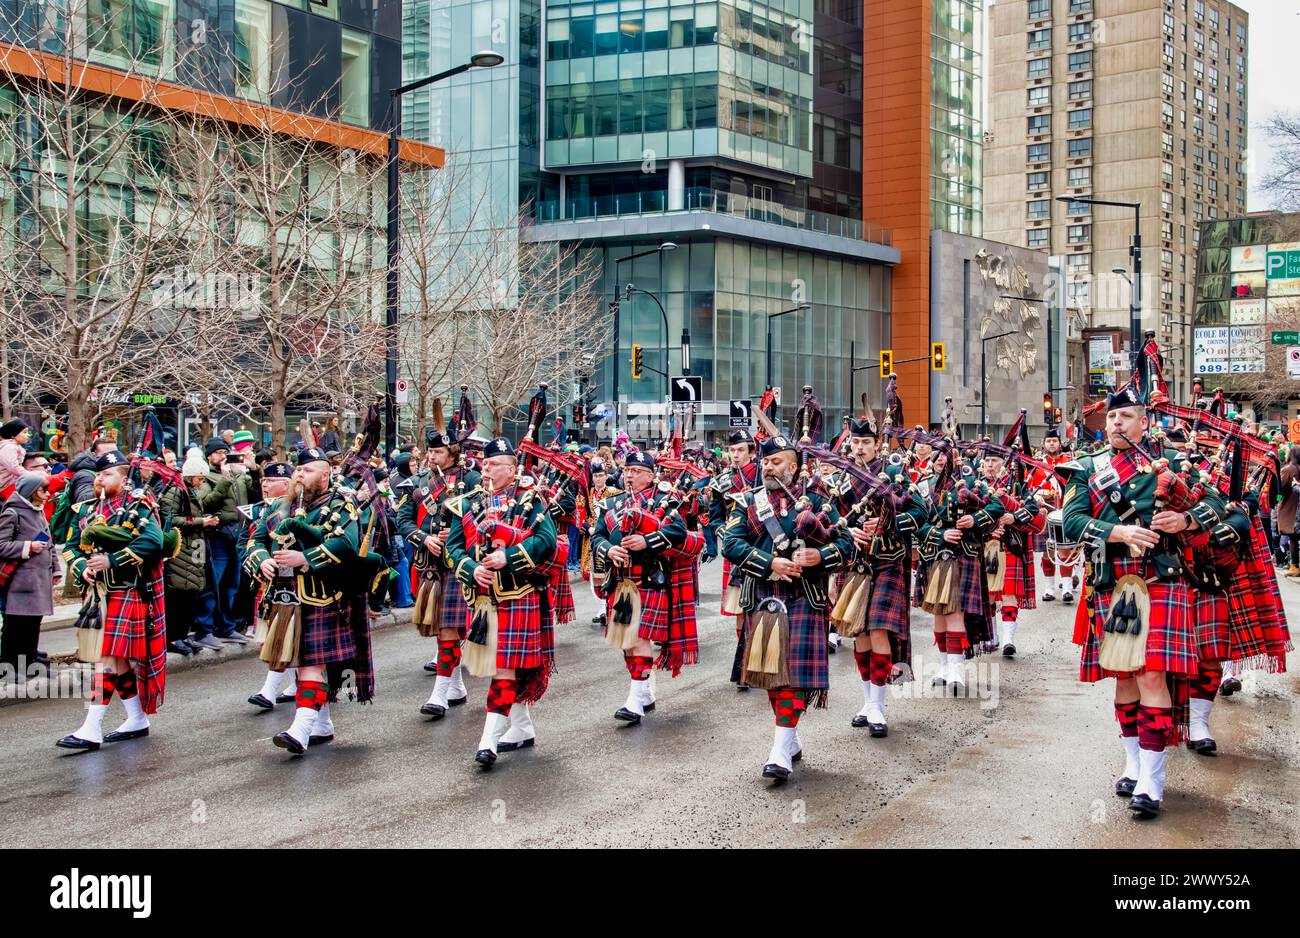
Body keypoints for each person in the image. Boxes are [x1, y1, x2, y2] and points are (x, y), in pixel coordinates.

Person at [1060, 386, 1227, 820]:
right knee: (1125, 681)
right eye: (1113, 418)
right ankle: (1133, 764)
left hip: (1161, 579)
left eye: (1126, 417)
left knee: (1152, 677)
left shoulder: (1170, 464)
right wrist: (1119, 533)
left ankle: (1153, 781)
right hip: (1113, 583)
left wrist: (1185, 519)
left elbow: (1217, 502)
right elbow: (1073, 520)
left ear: (1144, 422)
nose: (1116, 424)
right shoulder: (1086, 466)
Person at [721, 435, 852, 782]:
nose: (768, 466)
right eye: (765, 461)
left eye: (776, 461)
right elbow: (731, 544)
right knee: (772, 677)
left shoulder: (820, 501)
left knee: (791, 676)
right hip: (763, 597)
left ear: (793, 467)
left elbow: (847, 544)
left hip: (804, 597)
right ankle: (789, 738)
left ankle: (779, 752)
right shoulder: (748, 501)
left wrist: (818, 556)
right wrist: (770, 563)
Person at [246, 448, 373, 754]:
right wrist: (261, 559)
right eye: (298, 470)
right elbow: (255, 540)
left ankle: (299, 732)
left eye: (308, 470)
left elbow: (346, 544)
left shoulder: (340, 504)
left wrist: (305, 556)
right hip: (284, 597)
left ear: (326, 475)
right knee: (303, 664)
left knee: (311, 666)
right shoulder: (279, 505)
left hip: (322, 594)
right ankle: (323, 724)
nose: (300, 475)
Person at [444, 437, 557, 768]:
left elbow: (546, 541)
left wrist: (507, 557)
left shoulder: (530, 499)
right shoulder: (466, 503)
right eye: (485, 463)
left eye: (494, 464)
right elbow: (453, 549)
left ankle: (487, 743)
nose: (487, 468)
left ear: (511, 468)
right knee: (502, 665)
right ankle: (521, 727)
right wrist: (471, 569)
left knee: (502, 667)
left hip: (518, 594)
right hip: (480, 598)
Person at [56, 451, 168, 752]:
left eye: (106, 475)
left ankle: (92, 728)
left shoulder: (139, 505)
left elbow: (153, 541)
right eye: (98, 475)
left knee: (106, 659)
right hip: (97, 593)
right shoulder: (86, 509)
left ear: (123, 477)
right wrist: (82, 568)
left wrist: (111, 560)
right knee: (115, 660)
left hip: (126, 589)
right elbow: (70, 547)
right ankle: (136, 718)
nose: (99, 479)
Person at [828, 417, 925, 737]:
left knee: (879, 630)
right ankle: (868, 701)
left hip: (887, 560)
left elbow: (922, 512)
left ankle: (879, 707)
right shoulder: (843, 475)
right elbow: (831, 514)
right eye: (855, 442)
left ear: (876, 444)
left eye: (866, 442)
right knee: (861, 634)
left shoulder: (894, 472)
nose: (860, 447)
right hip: (856, 563)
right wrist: (847, 528)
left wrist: (888, 527)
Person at [590, 450, 701, 726]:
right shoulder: (611, 503)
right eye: (627, 470)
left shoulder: (664, 501)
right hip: (620, 580)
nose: (629, 475)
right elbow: (597, 537)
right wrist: (609, 549)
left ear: (650, 476)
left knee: (638, 637)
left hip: (651, 579)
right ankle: (644, 693)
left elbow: (677, 532)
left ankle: (635, 701)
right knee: (627, 642)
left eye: (636, 471)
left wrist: (647, 542)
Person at [396, 431, 480, 715]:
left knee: (449, 628)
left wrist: (458, 531)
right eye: (430, 453)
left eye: (438, 453)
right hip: (430, 563)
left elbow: (481, 517)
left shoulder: (471, 480)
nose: (432, 457)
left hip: (457, 562)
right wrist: (423, 537)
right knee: (444, 630)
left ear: (453, 453)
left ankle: (440, 694)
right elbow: (402, 519)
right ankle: (455, 686)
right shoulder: (419, 482)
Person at [242, 462, 299, 709]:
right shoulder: (269, 508)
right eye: (263, 480)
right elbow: (254, 541)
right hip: (271, 582)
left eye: (270, 481)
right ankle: (294, 685)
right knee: (277, 636)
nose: (264, 485)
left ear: (287, 484)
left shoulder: (303, 508)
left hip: (299, 583)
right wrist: (260, 561)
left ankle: (270, 690)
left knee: (285, 636)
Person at [0, 472, 56, 672]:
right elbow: (1, 545)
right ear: (31, 491)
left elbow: (49, 543)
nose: (48, 493)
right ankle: (9, 665)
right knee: (17, 625)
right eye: (44, 490)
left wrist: (56, 569)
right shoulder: (13, 513)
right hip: (21, 580)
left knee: (33, 623)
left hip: (38, 579)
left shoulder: (38, 510)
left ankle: (28, 659)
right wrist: (28, 547)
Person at [157, 450, 212, 656]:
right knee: (178, 596)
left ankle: (182, 635)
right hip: (181, 548)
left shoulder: (189, 490)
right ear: (190, 476)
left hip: (193, 546)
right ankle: (173, 637)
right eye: (199, 478)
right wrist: (201, 521)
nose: (201, 483)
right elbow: (170, 519)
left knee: (191, 594)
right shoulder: (176, 491)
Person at [194, 438, 247, 645]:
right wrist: (225, 480)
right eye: (219, 452)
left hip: (236, 534)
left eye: (226, 452)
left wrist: (250, 471)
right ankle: (205, 628)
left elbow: (252, 495)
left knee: (230, 584)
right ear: (209, 456)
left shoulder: (236, 475)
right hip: (217, 535)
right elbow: (205, 503)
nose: (223, 456)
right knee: (212, 583)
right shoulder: (206, 477)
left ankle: (226, 626)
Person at [1277, 444, 1300, 577]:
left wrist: (1277, 500)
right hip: (1298, 503)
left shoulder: (1288, 469)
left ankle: (1294, 566)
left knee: (1292, 537)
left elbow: (1282, 489)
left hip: (1289, 505)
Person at [0, 420, 31, 500]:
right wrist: (30, 475)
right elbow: (13, 467)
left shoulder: (15, 447)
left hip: (10, 482)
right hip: (5, 485)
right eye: (24, 432)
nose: (28, 435)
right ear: (13, 435)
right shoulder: (9, 447)